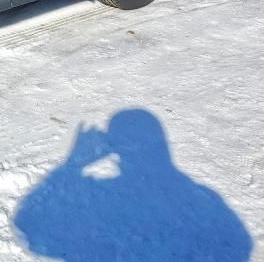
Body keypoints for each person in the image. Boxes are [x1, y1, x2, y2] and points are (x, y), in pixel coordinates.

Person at [14, 109, 252, 261]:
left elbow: (29, 226)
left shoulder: (101, 196)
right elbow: (239, 247)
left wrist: (72, 166)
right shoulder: (201, 198)